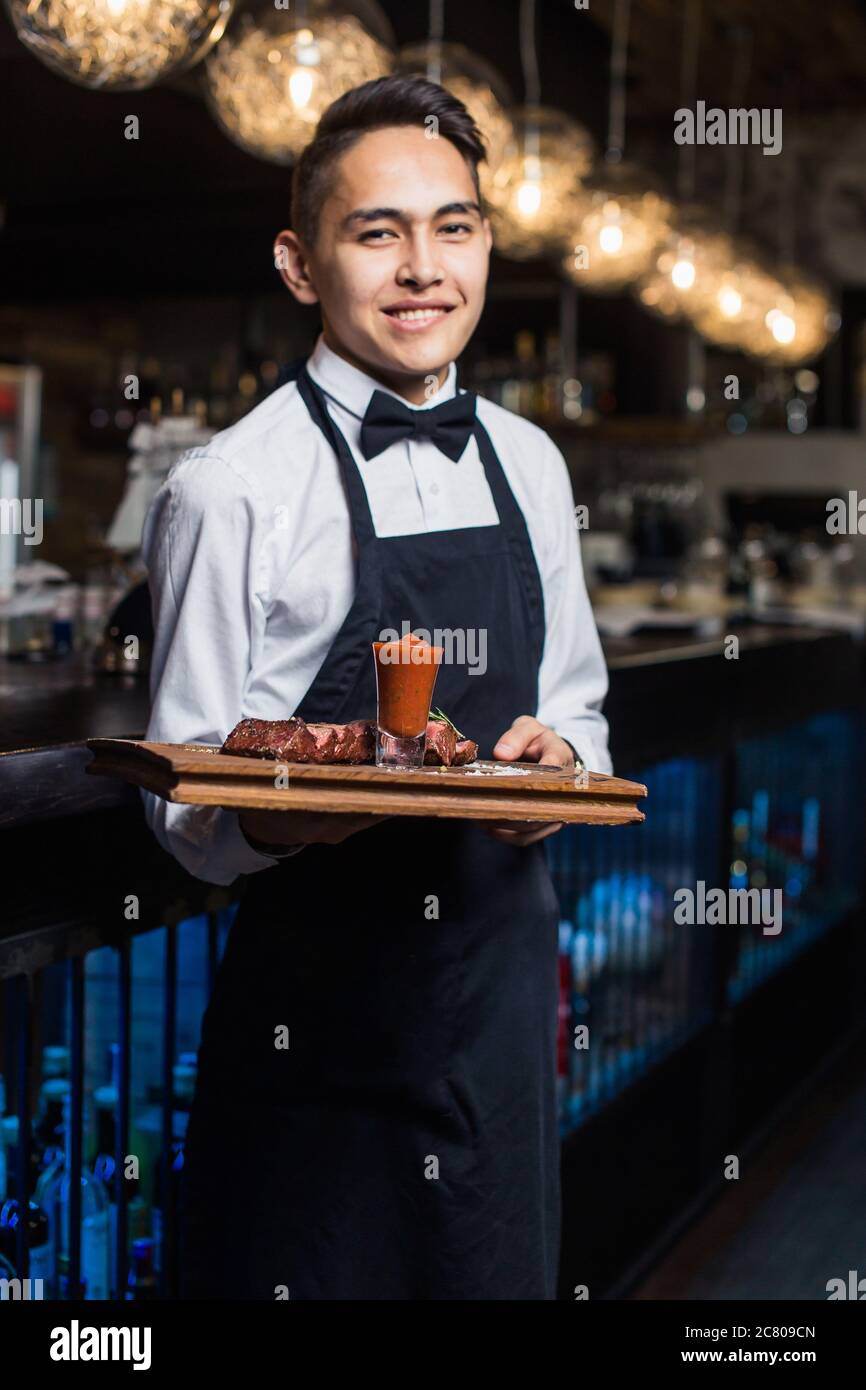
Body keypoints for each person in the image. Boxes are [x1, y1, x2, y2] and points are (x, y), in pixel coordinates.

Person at [141, 73, 612, 1301]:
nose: (421, 268)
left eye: (451, 227)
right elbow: (182, 802)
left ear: (486, 247)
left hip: (500, 1009)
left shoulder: (531, 460)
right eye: (376, 232)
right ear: (301, 266)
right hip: (321, 1029)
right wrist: (298, 808)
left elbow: (575, 702)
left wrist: (554, 768)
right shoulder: (228, 488)